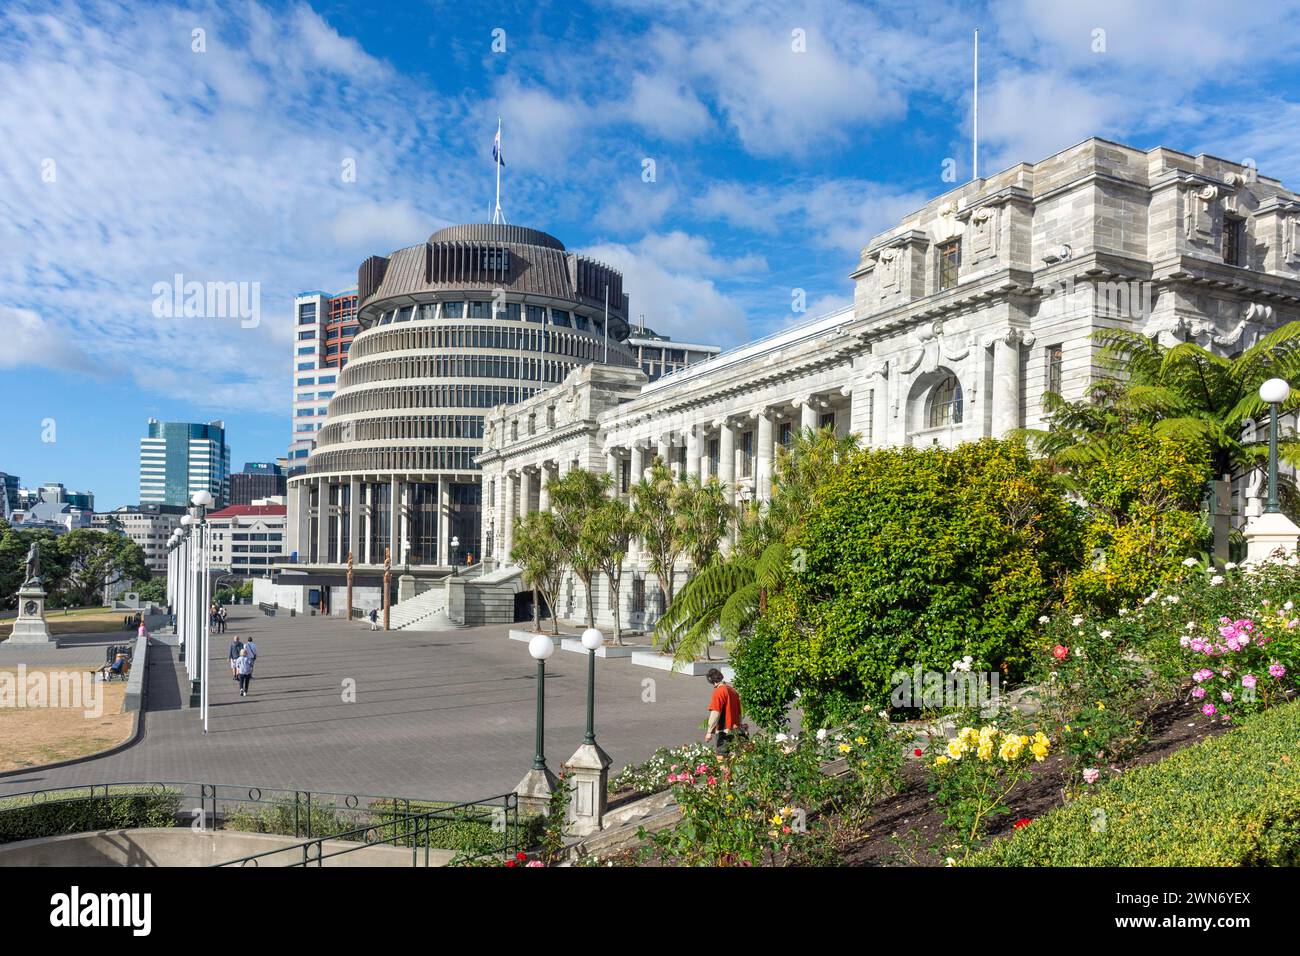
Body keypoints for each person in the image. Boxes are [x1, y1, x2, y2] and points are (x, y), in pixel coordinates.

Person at [704, 668, 744, 751]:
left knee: (722, 757)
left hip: (724, 730)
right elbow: (739, 712)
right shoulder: (732, 690)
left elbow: (715, 712)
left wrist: (709, 732)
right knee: (734, 758)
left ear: (711, 680)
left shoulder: (719, 692)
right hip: (735, 729)